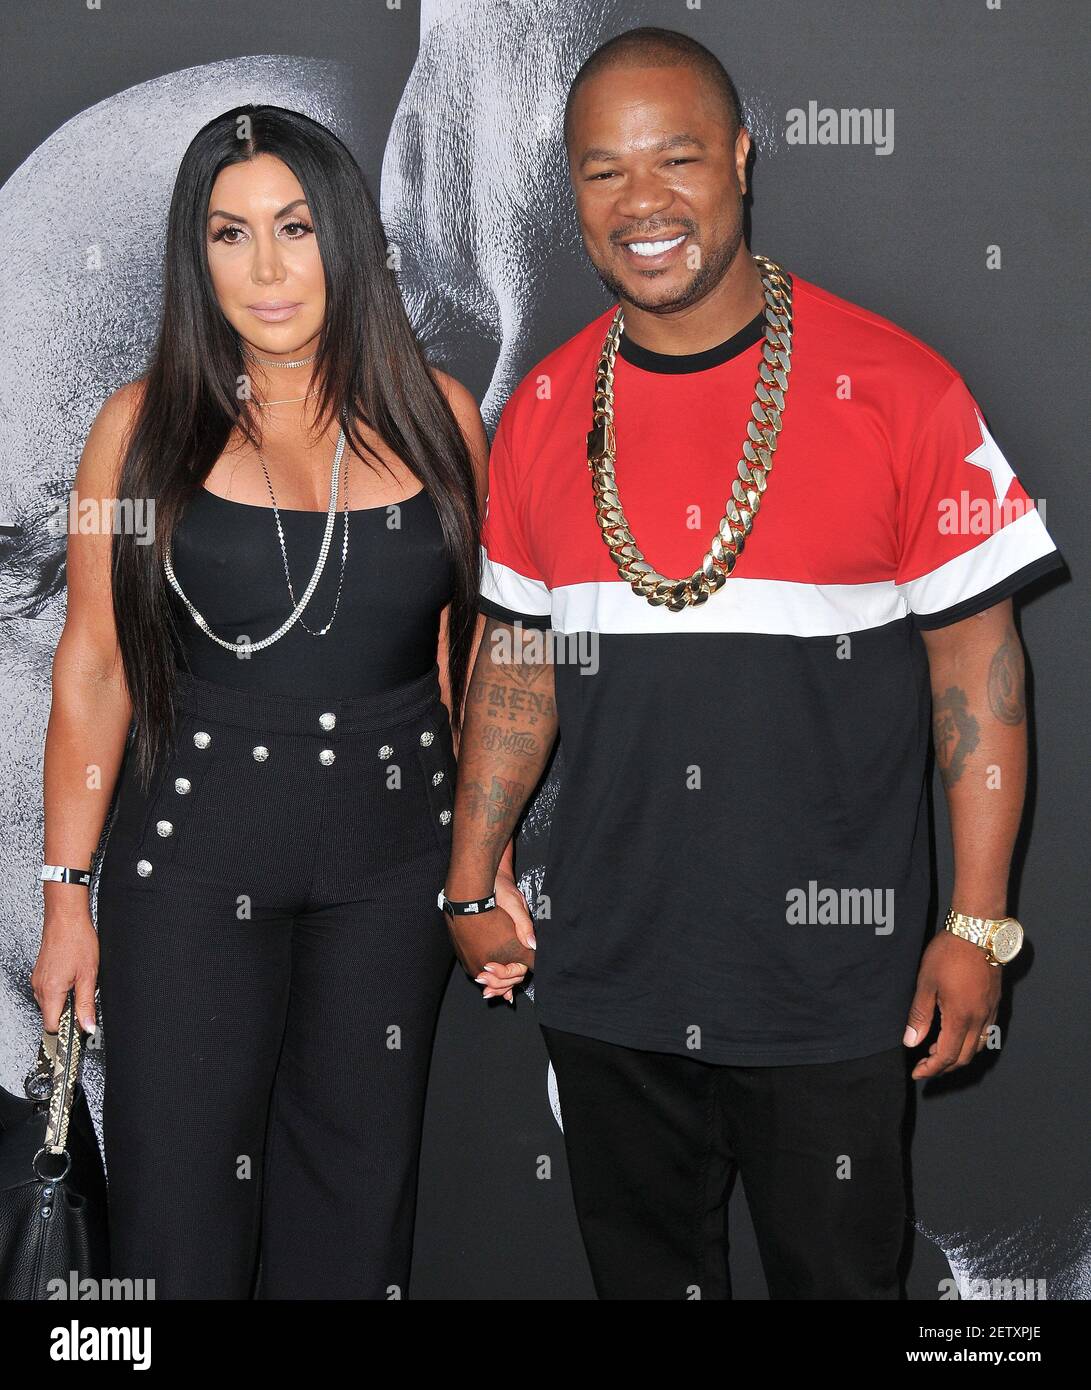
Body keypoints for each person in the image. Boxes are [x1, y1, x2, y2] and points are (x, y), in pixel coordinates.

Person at [441, 29, 1065, 1299]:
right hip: (606, 983)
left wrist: (979, 925)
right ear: (572, 194)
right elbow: (517, 660)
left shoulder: (900, 388)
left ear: (738, 157)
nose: (642, 204)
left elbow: (979, 673)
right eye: (603, 173)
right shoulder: (547, 414)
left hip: (829, 993)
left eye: (674, 158)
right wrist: (467, 877)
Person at [33, 103, 530, 1299]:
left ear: (344, 239)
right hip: (194, 857)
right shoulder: (138, 432)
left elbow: (468, 662)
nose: (264, 268)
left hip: (391, 866)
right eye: (228, 234)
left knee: (355, 1205)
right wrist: (64, 894)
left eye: (294, 228)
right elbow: (94, 665)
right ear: (193, 257)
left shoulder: (444, 418)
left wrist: (485, 856)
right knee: (177, 1211)